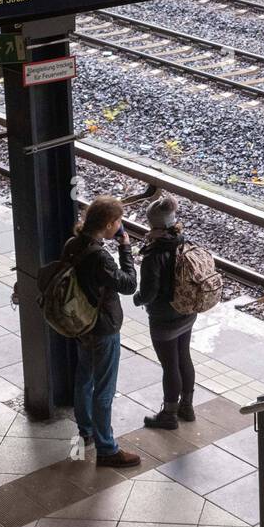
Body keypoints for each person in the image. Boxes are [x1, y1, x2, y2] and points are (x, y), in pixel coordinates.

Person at [64, 195, 140, 468]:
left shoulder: (73, 243)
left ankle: (86, 431)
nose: (120, 225)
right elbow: (129, 285)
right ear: (110, 224)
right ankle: (107, 449)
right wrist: (125, 248)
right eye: (118, 221)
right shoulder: (100, 257)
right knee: (104, 388)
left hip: (80, 323)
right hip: (103, 327)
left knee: (84, 377)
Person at [135, 194, 199, 430]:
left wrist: (136, 299)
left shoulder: (153, 254)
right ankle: (187, 406)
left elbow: (149, 293)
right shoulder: (183, 241)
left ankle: (169, 414)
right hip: (187, 311)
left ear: (154, 224)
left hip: (164, 319)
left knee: (170, 365)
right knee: (184, 357)